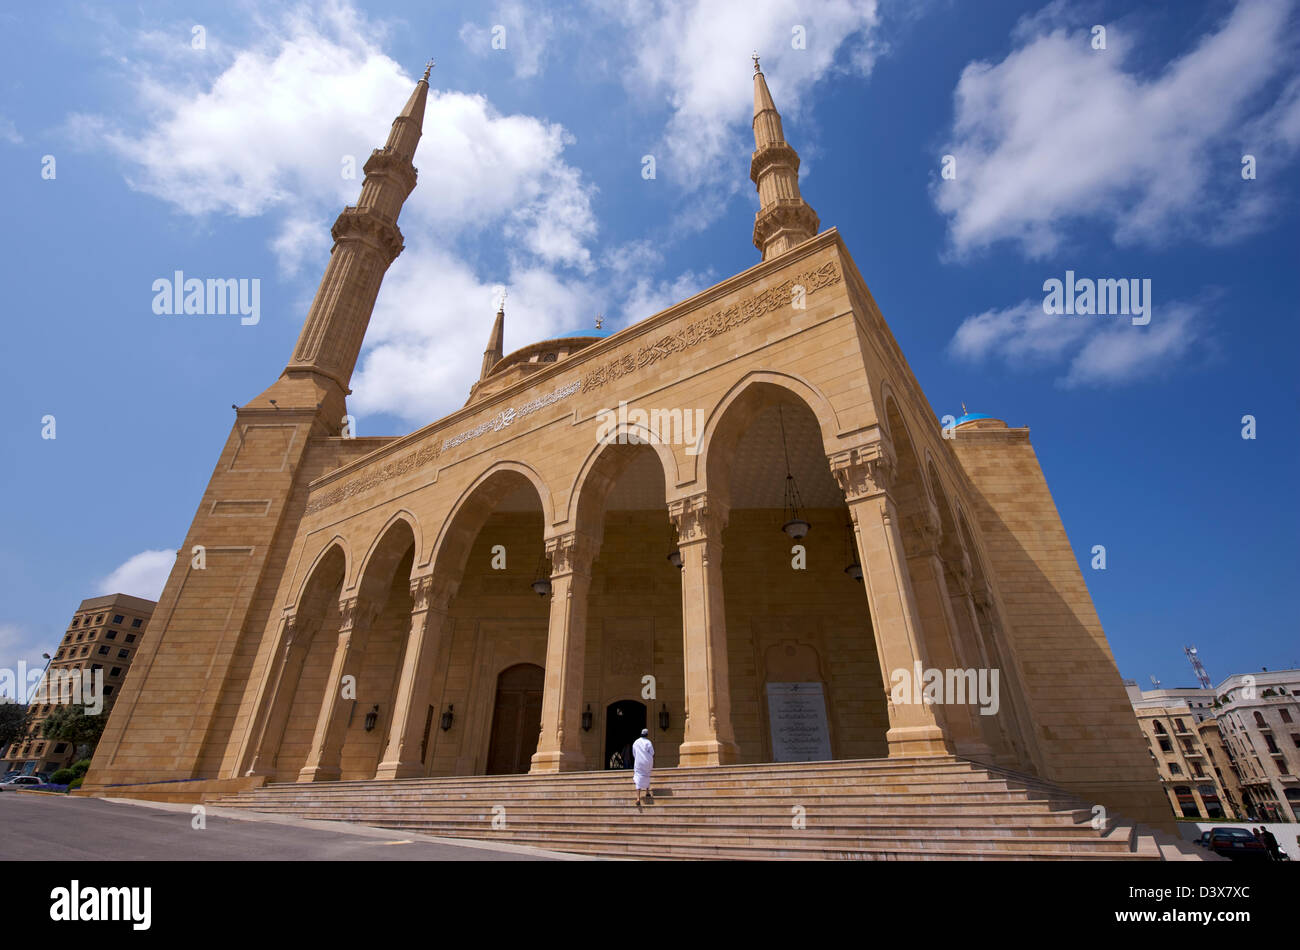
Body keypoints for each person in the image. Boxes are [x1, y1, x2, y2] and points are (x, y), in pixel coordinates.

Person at [632, 728, 654, 806]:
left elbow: (634, 753)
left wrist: (638, 758)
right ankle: (647, 792)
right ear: (647, 735)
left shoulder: (636, 742)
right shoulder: (648, 742)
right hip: (647, 762)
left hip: (639, 762)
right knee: (647, 775)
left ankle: (638, 798)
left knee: (638, 778)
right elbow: (652, 752)